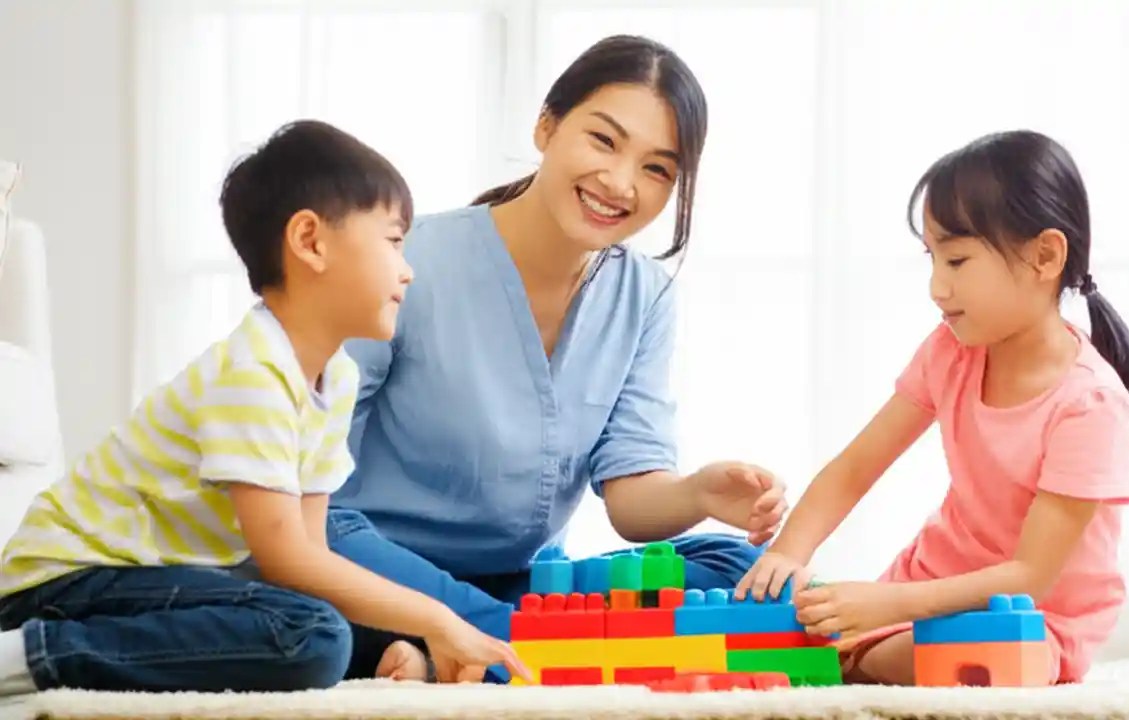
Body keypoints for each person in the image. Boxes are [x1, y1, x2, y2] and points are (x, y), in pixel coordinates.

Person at [0, 119, 528, 695]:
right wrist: (437, 619)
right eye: (394, 241)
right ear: (310, 241)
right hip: (63, 585)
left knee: (331, 628)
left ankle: (375, 657)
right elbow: (283, 561)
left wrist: (394, 637)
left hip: (160, 585)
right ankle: (29, 655)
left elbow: (311, 556)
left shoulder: (337, 376)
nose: (408, 270)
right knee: (311, 633)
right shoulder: (252, 372)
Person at [325, 34, 788, 682]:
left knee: (739, 571)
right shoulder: (411, 260)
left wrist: (697, 493)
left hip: (526, 582)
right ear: (547, 126)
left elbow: (631, 501)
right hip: (378, 564)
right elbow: (303, 487)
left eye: (658, 169)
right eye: (604, 140)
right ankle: (511, 647)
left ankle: (463, 649)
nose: (621, 182)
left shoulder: (645, 296)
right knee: (314, 547)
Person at [736, 130, 1129, 686]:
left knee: (988, 657)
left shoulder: (1090, 406)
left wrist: (885, 608)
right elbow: (856, 467)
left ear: (1045, 256)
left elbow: (1030, 577)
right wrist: (787, 555)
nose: (937, 286)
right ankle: (855, 650)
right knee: (788, 626)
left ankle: (852, 656)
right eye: (932, 259)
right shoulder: (949, 352)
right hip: (926, 586)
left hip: (1033, 619)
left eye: (956, 260)